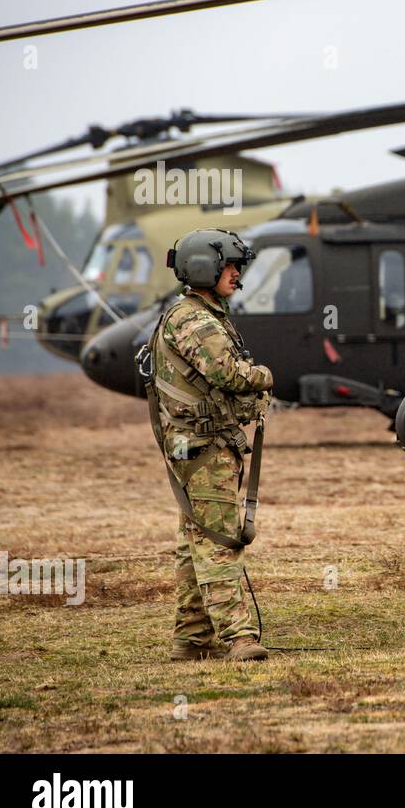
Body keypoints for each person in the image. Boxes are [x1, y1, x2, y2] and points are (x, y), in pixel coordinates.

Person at [142, 229, 273, 662]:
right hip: (205, 448)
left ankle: (192, 639)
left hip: (194, 447)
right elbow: (228, 374)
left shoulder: (195, 313)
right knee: (219, 539)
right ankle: (239, 638)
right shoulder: (195, 319)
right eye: (231, 267)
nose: (237, 274)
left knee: (194, 540)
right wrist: (262, 375)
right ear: (206, 268)